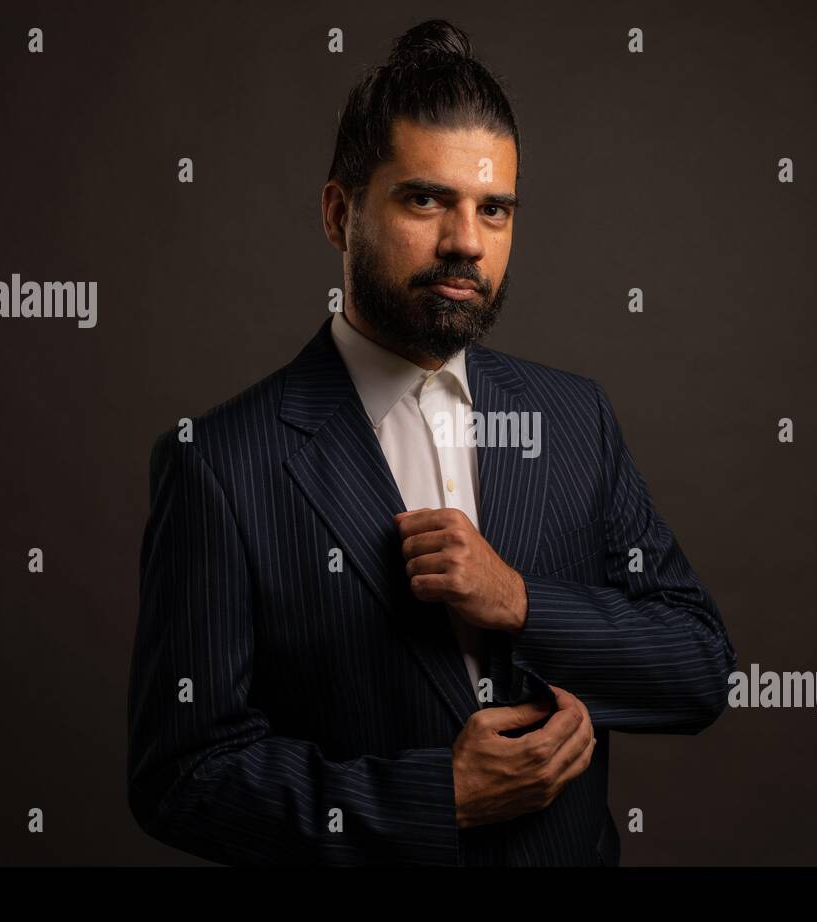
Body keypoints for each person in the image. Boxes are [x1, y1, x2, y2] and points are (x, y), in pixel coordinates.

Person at [127, 18, 736, 866]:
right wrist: (436, 799)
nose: (466, 242)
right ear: (341, 214)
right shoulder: (219, 464)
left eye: (494, 208)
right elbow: (181, 775)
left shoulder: (574, 418)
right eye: (426, 200)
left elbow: (701, 668)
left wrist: (521, 603)